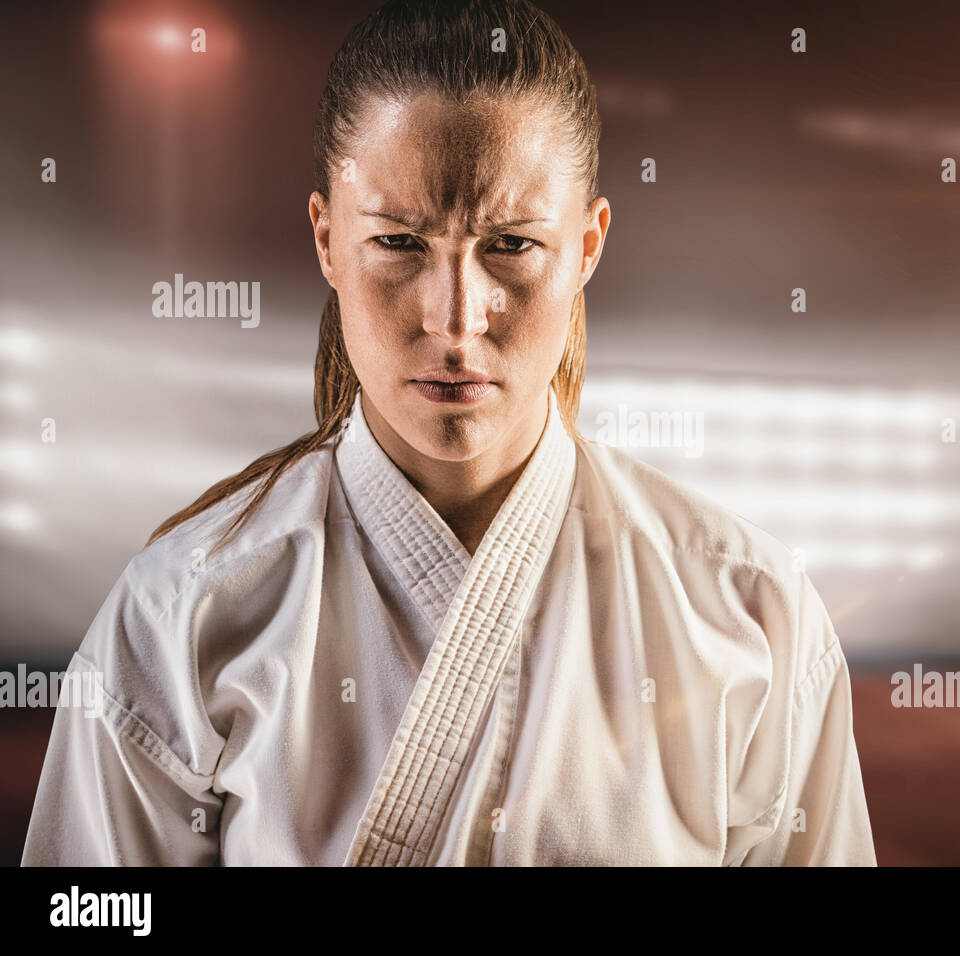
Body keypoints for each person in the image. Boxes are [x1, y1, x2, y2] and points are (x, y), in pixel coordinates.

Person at [21, 0, 876, 866]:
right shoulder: (180, 618)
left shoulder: (751, 617)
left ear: (586, 246)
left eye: (511, 243)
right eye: (397, 241)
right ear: (326, 239)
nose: (456, 319)